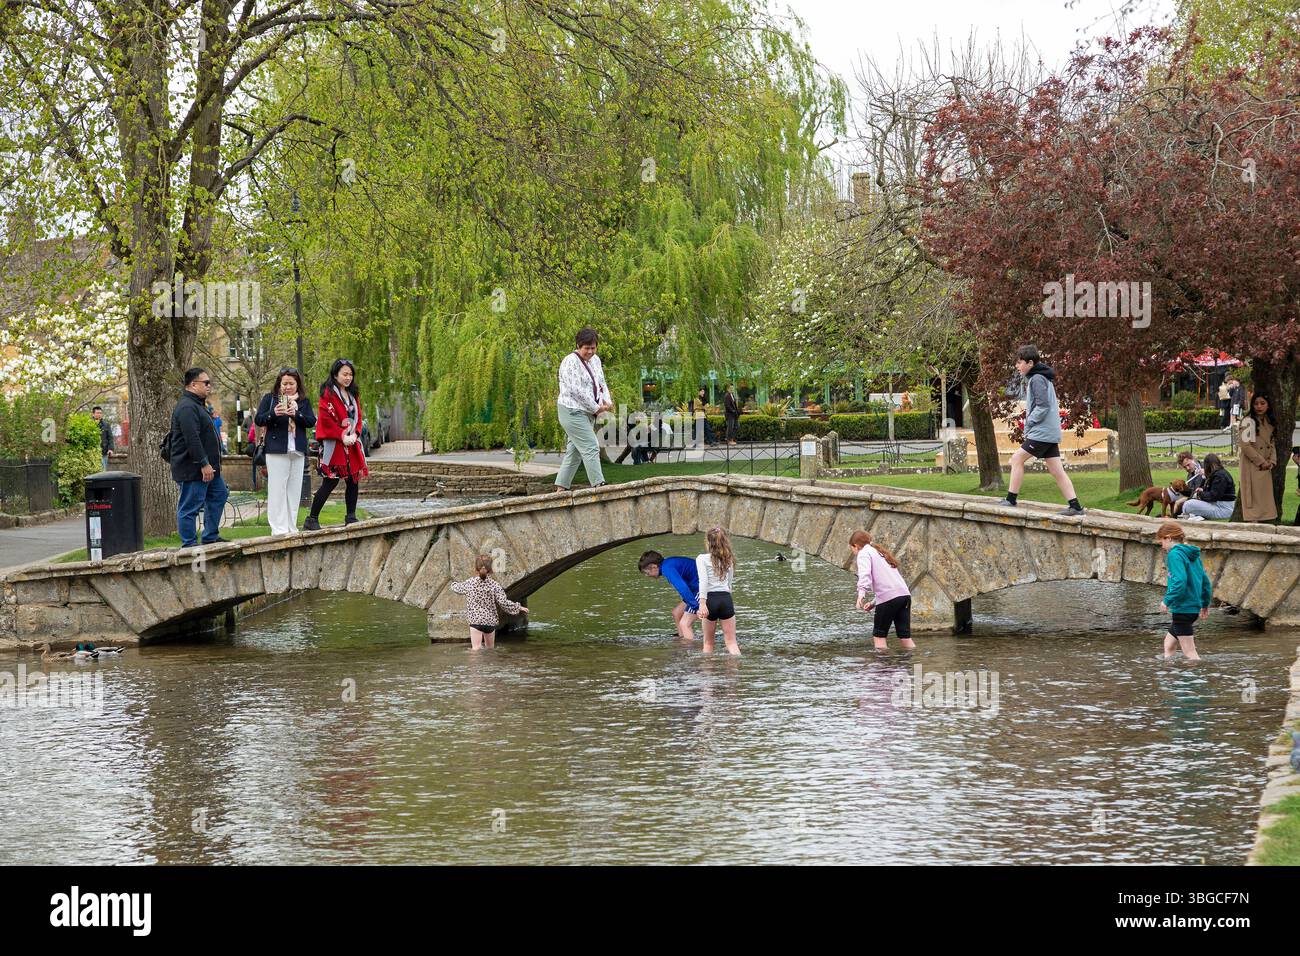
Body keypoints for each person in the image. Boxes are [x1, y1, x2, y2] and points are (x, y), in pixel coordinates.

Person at [997, 346, 1085, 515]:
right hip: (1049, 432)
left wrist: (1029, 421)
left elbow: (1043, 406)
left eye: (1020, 362)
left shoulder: (1037, 378)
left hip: (1042, 433)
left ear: (1030, 363)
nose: (1017, 366)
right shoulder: (1042, 377)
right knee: (1056, 470)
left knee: (1016, 460)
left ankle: (1011, 499)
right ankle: (1075, 506)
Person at [304, 359, 369, 531]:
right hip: (334, 445)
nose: (348, 378)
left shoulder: (353, 395)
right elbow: (325, 421)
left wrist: (355, 433)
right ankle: (312, 519)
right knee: (330, 482)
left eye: (350, 374)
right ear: (335, 375)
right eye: (344, 374)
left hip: (351, 444)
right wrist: (342, 436)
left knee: (353, 480)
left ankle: (351, 516)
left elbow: (359, 418)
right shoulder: (327, 395)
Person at [168, 367, 229, 547]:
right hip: (193, 469)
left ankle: (210, 536)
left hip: (209, 469)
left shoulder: (197, 405)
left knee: (219, 494)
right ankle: (189, 545)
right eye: (206, 383)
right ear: (193, 385)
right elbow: (191, 438)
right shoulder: (187, 407)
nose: (209, 386)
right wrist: (203, 463)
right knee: (190, 506)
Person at [256, 368, 317, 536]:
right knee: (277, 489)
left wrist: (297, 415)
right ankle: (278, 529)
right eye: (285, 383)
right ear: (279, 383)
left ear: (297, 385)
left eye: (291, 383)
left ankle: (291, 526)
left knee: (294, 490)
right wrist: (273, 413)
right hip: (276, 450)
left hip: (296, 450)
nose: (288, 387)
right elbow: (259, 419)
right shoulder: (270, 399)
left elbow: (311, 421)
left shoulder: (303, 401)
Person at [555, 327, 612, 491]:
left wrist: (607, 401)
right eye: (586, 348)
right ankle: (599, 484)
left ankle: (560, 488)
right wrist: (597, 407)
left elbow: (601, 382)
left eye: (593, 348)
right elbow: (576, 391)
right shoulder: (570, 362)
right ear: (579, 346)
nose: (590, 351)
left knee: (574, 452)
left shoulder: (596, 360)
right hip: (571, 411)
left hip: (587, 412)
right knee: (591, 446)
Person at [849, 529, 915, 652]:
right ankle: (911, 664)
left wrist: (861, 595)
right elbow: (889, 584)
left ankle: (883, 668)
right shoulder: (879, 552)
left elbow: (865, 575)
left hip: (889, 599)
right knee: (905, 636)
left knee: (879, 636)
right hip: (904, 596)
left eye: (851, 549)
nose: (853, 552)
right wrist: (874, 603)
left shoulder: (863, 553)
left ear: (856, 546)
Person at [1156, 522, 1211, 661]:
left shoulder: (1174, 554)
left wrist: (1167, 600)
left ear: (1168, 538)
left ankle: (1197, 681)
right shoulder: (1192, 554)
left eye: (1161, 541)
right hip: (1192, 608)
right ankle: (1171, 678)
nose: (1161, 546)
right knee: (1168, 645)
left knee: (1190, 653)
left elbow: (1180, 581)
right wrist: (1204, 604)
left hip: (1183, 609)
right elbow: (1205, 581)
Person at [449, 555, 528, 649]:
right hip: (489, 622)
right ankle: (490, 663)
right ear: (491, 570)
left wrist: (453, 584)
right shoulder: (495, 585)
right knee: (490, 649)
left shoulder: (470, 583)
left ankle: (476, 664)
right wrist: (519, 607)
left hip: (476, 621)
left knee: (476, 650)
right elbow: (503, 602)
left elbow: (457, 588)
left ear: (476, 569)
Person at [638, 549, 700, 640]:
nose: (647, 576)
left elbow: (682, 588)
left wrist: (696, 607)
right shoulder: (667, 564)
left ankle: (689, 649)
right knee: (676, 613)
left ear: (654, 567)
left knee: (685, 623)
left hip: (701, 589)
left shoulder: (668, 569)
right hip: (695, 589)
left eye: (647, 573)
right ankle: (682, 638)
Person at [696, 527, 740, 655]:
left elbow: (703, 581)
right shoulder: (729, 558)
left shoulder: (702, 559)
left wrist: (702, 604)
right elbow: (729, 583)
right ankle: (736, 671)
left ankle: (708, 673)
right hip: (726, 599)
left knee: (708, 643)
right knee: (731, 642)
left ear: (708, 542)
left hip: (710, 600)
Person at [1239, 393, 1279, 523]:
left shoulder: (1270, 421)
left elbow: (1272, 443)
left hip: (1266, 466)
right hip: (1252, 465)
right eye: (1256, 403)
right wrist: (1261, 462)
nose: (1259, 406)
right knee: (1253, 503)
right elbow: (1245, 445)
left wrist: (1272, 461)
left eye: (1263, 403)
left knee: (1264, 502)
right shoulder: (1247, 421)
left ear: (1268, 405)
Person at [1180, 452, 1235, 520]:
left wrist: (1199, 494)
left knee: (1188, 505)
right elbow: (1214, 492)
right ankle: (1192, 516)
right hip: (1219, 505)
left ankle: (1190, 517)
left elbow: (1213, 496)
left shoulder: (1220, 476)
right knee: (1188, 504)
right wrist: (1202, 490)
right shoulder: (1218, 474)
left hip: (1223, 509)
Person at [1167, 451, 1205, 517]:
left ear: (1193, 460)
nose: (1187, 468)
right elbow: (1191, 492)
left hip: (1204, 502)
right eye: (1184, 467)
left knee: (1178, 506)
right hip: (1193, 500)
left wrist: (1179, 501)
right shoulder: (1190, 474)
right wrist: (1179, 489)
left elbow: (1196, 493)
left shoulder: (1204, 469)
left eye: (1188, 465)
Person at [92, 405, 112, 472]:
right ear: (93, 414)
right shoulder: (89, 424)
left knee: (103, 471)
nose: (99, 414)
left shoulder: (106, 425)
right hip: (92, 452)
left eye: (100, 413)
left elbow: (110, 438)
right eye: (97, 413)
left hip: (103, 452)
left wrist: (110, 449)